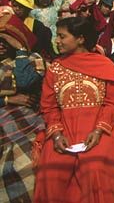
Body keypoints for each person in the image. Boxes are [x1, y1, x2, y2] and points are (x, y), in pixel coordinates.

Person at [34, 17, 114, 202]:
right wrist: (56, 134)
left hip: (100, 128)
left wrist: (98, 130)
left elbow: (112, 103)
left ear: (80, 39)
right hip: (64, 129)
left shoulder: (104, 65)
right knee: (52, 170)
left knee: (95, 168)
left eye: (62, 36)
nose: (57, 41)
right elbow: (49, 106)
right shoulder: (55, 69)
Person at [0, 14, 45, 202]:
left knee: (25, 166)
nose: (1, 45)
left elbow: (26, 82)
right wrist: (8, 100)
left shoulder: (33, 59)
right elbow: (16, 96)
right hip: (3, 123)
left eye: (5, 40)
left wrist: (19, 51)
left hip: (29, 124)